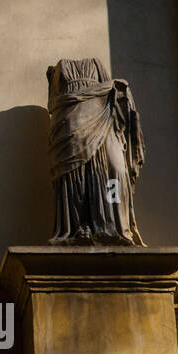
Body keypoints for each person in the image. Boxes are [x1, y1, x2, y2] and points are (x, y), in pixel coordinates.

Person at [46, 56, 145, 245]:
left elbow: (112, 92)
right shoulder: (60, 68)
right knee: (76, 176)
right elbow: (54, 101)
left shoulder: (97, 65)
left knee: (115, 170)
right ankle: (79, 225)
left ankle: (113, 224)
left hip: (102, 114)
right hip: (71, 117)